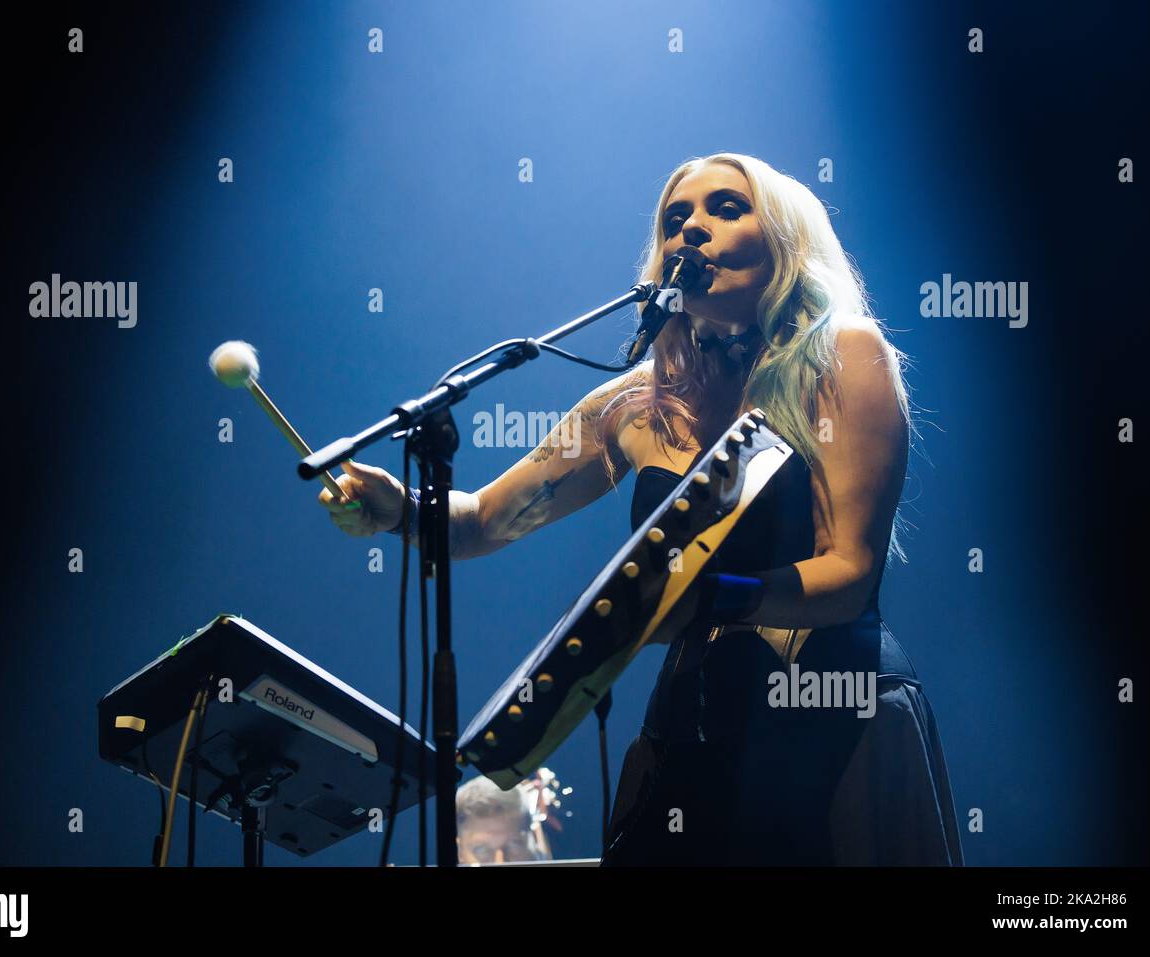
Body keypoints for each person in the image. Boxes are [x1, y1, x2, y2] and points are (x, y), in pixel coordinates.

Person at [317, 152, 964, 866]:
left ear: (784, 236)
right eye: (674, 220)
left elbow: (850, 573)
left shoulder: (842, 355)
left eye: (725, 208)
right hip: (696, 720)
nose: (691, 229)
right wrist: (400, 511)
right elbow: (481, 519)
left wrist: (707, 598)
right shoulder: (630, 402)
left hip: (830, 707)